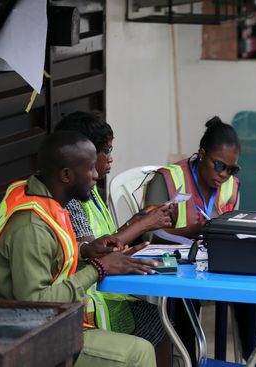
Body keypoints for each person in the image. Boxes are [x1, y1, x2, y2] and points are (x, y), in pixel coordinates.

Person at [0, 131, 164, 367]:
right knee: (138, 352)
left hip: (45, 326)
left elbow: (50, 262)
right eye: (90, 169)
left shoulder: (45, 200)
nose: (96, 176)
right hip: (19, 339)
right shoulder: (31, 225)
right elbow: (36, 304)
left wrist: (85, 252)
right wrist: (97, 268)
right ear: (66, 175)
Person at [55, 111, 173, 366]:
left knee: (166, 319)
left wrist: (139, 220)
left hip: (106, 295)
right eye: (106, 151)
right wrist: (143, 223)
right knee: (163, 323)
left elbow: (104, 240)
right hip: (87, 310)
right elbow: (95, 251)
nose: (111, 159)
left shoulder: (90, 192)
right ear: (82, 154)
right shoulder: (70, 200)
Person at [144, 117, 256, 363]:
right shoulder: (167, 178)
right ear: (202, 154)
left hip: (210, 262)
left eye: (232, 169)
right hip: (170, 262)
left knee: (252, 295)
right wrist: (189, 231)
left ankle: (251, 359)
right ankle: (188, 361)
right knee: (183, 298)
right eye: (219, 166)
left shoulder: (231, 187)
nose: (225, 175)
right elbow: (146, 235)